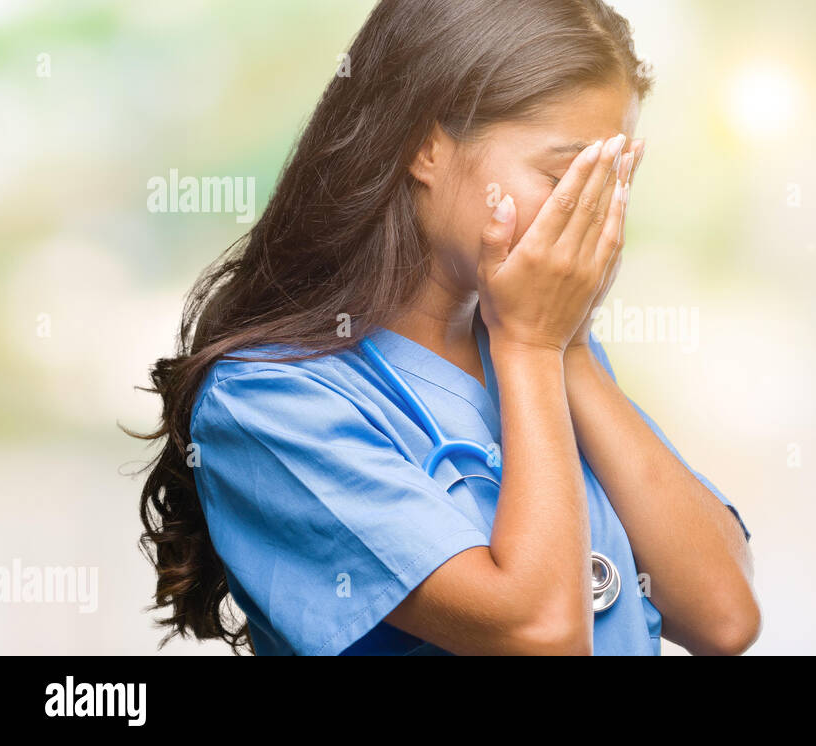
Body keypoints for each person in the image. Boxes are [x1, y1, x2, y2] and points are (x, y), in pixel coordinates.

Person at [135, 0, 759, 655]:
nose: (595, 219)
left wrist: (563, 348)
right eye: (562, 176)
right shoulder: (265, 405)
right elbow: (539, 635)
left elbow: (725, 618)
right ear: (424, 147)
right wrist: (535, 347)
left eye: (611, 184)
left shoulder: (541, 346)